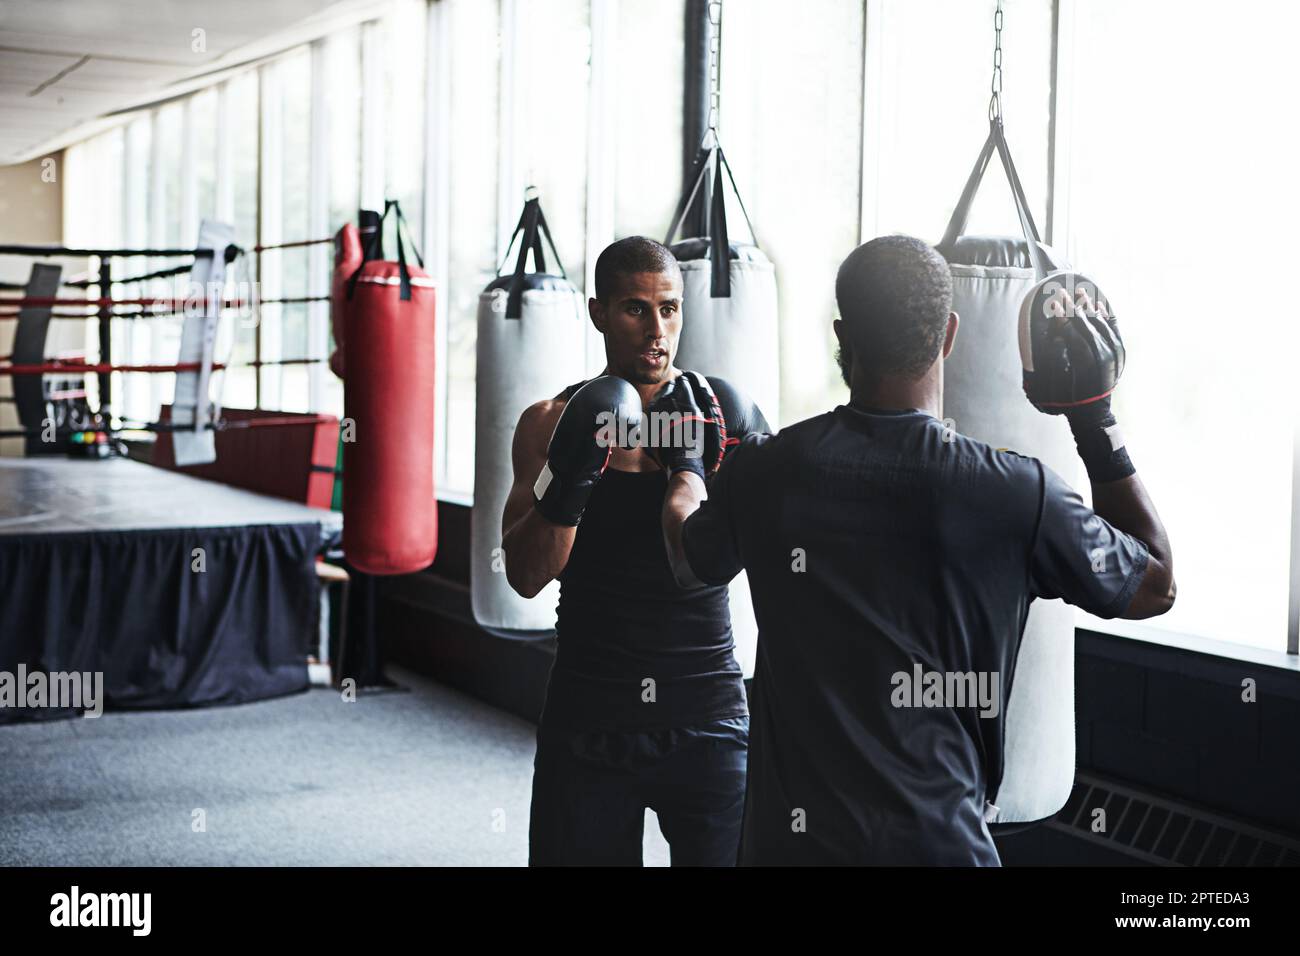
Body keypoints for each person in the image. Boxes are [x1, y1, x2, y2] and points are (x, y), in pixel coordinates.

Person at [656, 234, 1175, 865]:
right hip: (940, 848)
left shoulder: (768, 472)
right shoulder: (1016, 493)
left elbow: (689, 561)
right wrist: (1095, 421)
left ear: (842, 337)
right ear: (951, 334)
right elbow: (1155, 586)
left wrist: (686, 468)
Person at [501, 236, 769, 865]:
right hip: (590, 710)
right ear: (598, 313)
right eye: (635, 309)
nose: (657, 330)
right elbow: (524, 576)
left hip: (707, 710)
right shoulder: (551, 422)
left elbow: (779, 551)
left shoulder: (721, 417)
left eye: (670, 309)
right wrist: (574, 476)